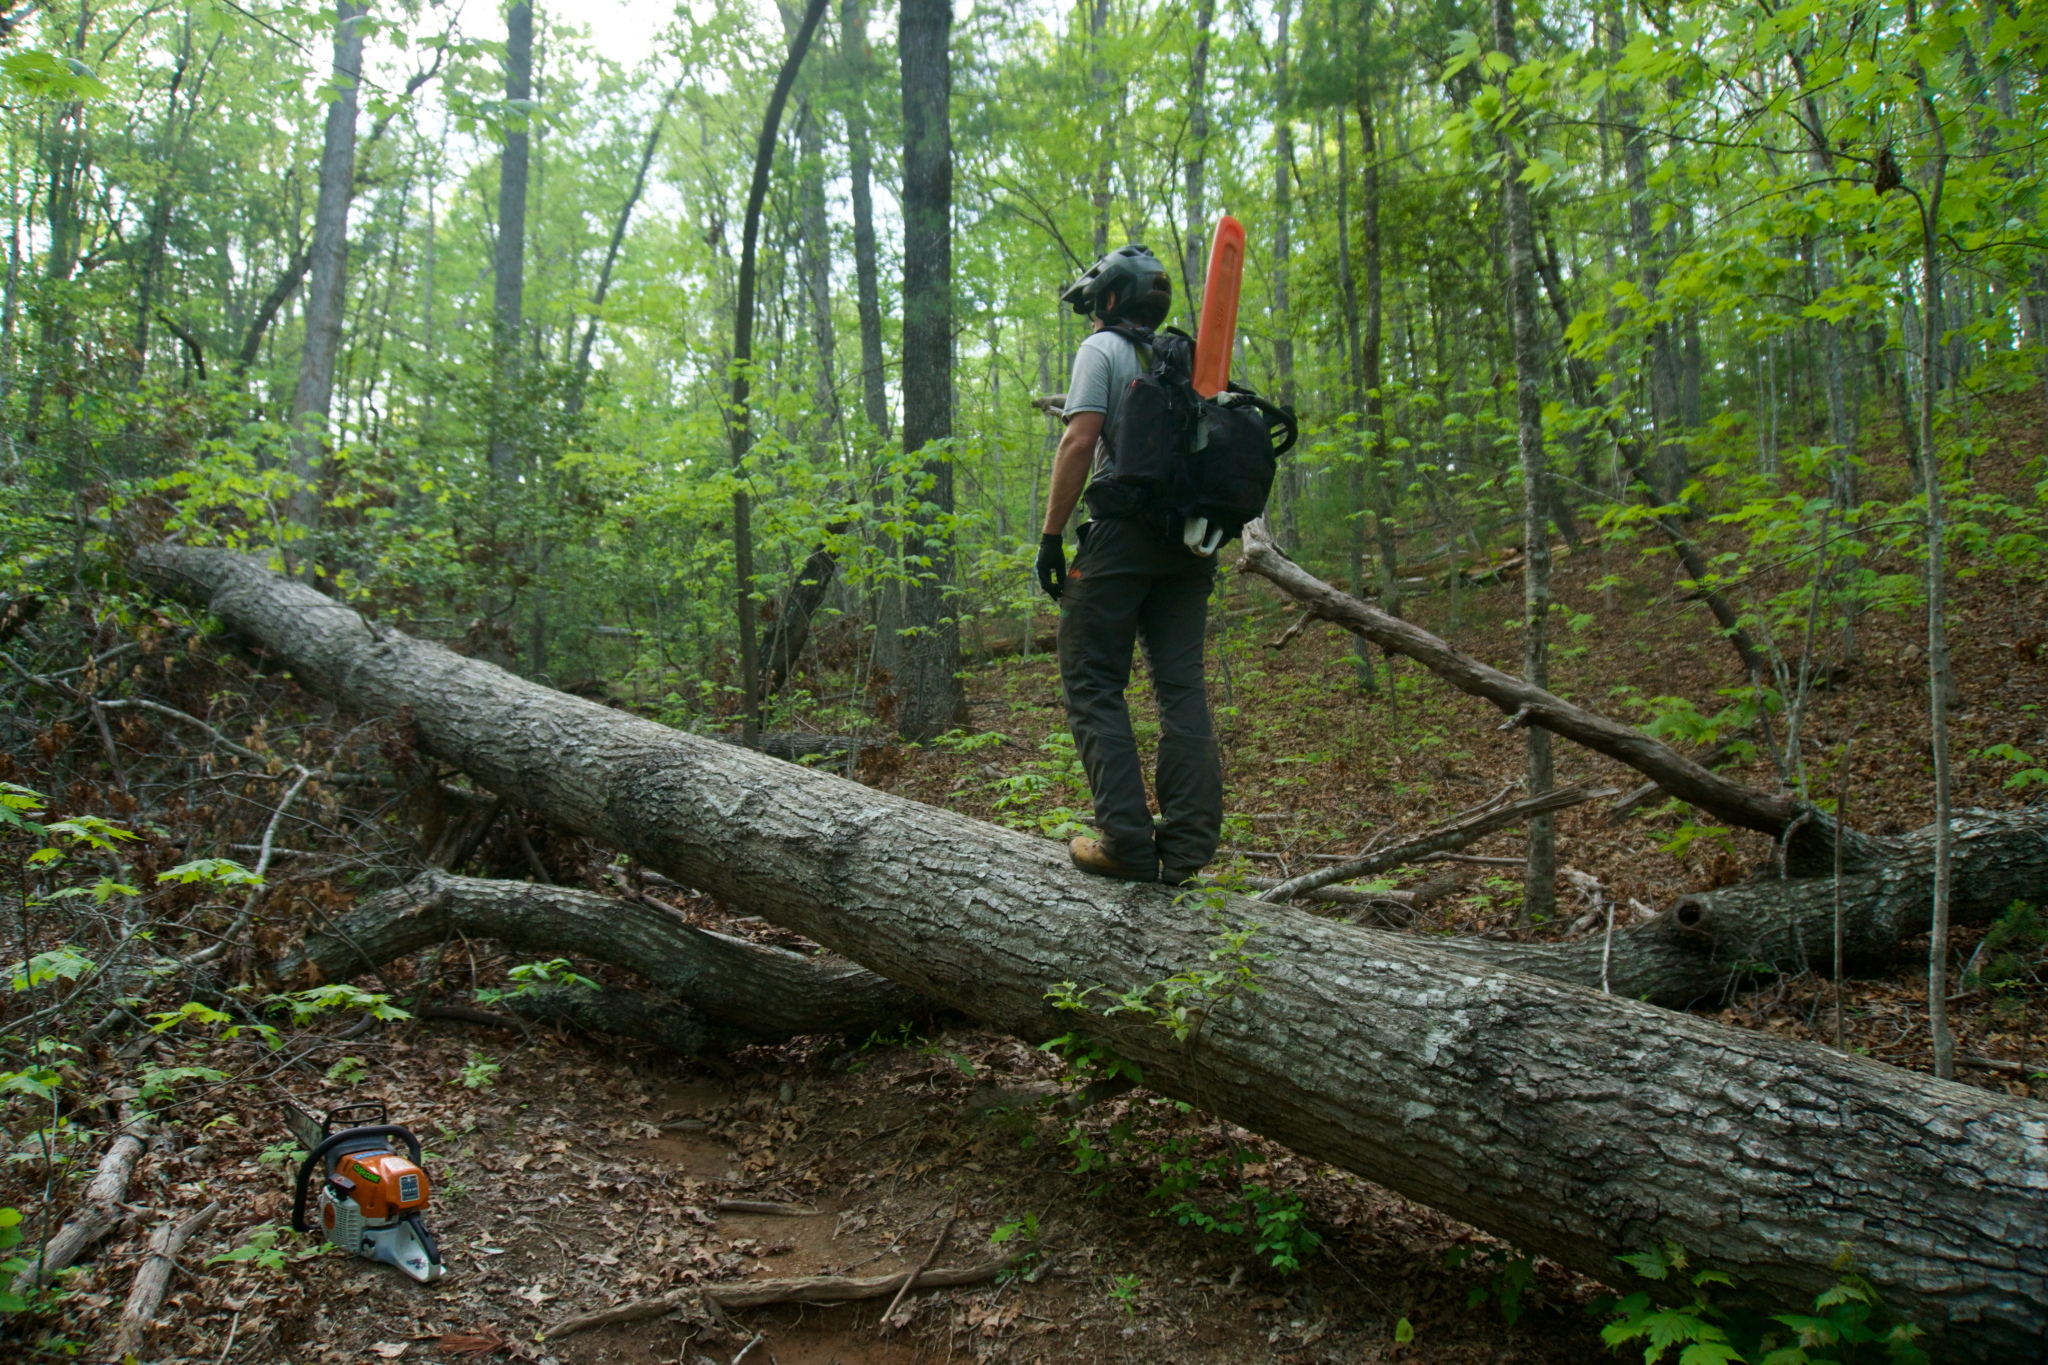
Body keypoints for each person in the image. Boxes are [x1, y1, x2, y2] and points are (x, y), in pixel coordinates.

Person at [1034, 245, 1222, 886]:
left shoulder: (1103, 349)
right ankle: (1188, 849)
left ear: (1111, 300)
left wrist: (1051, 538)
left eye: (1093, 305)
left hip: (1122, 536)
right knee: (1181, 687)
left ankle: (1125, 843)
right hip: (1190, 545)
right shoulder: (1189, 360)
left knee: (1092, 680)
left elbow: (1079, 439)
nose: (1090, 316)